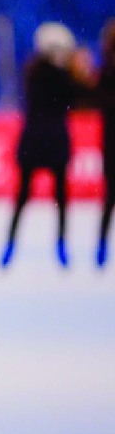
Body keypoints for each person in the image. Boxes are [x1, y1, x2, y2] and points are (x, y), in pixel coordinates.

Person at [1, 22, 79, 269]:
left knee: (57, 198)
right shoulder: (42, 73)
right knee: (26, 197)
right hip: (41, 142)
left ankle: (60, 245)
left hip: (46, 142)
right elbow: (64, 97)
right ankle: (12, 245)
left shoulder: (45, 72)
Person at [97, 20, 115, 268]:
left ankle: (100, 244)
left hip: (110, 141)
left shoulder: (105, 72)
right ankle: (100, 245)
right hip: (111, 141)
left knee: (109, 198)